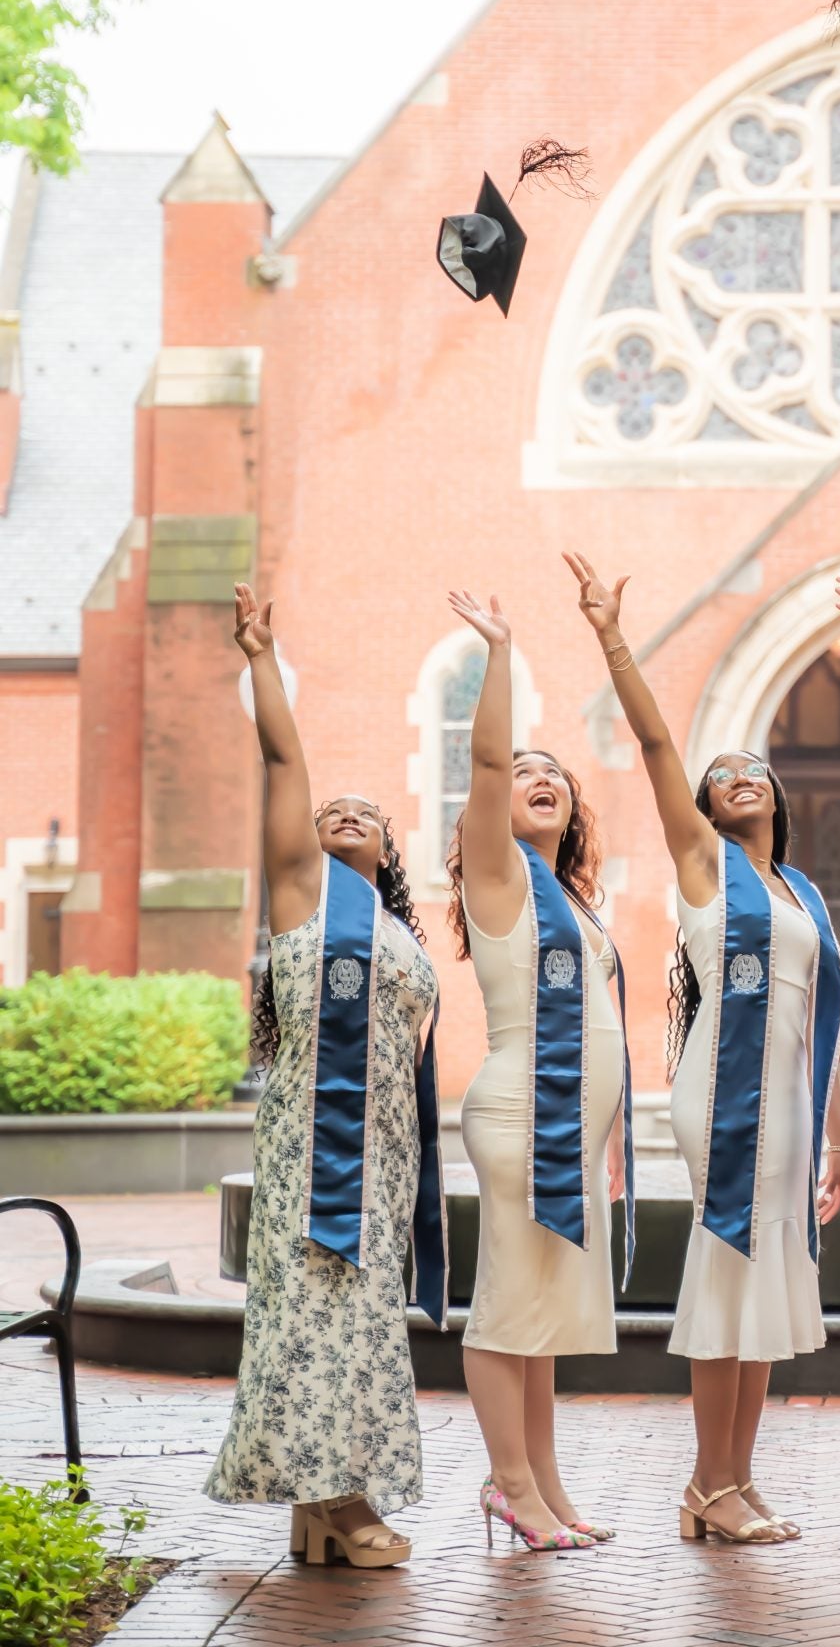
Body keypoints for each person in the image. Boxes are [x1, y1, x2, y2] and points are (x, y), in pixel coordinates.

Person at [566, 548, 840, 1546]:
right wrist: (612, 637)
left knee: (765, 1278)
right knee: (730, 1267)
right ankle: (703, 1482)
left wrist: (835, 1127)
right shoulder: (704, 864)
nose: (735, 779)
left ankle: (735, 1479)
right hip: (724, 1090)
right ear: (707, 805)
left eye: (749, 771)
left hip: (789, 1096)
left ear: (776, 795)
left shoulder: (797, 893)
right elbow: (654, 742)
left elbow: (818, 1017)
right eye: (718, 776)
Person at [208, 586, 447, 1569]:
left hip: (381, 1156)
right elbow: (282, 761)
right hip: (313, 1147)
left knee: (359, 1320)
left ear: (390, 849)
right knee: (314, 1315)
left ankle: (327, 1498)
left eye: (366, 812)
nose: (344, 811)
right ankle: (337, 1499)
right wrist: (262, 657)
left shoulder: (398, 933)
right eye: (330, 810)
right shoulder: (305, 897)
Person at [445, 589, 633, 1553]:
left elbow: (602, 1024)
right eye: (523, 773)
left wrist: (610, 1138)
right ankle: (508, 1483)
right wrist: (499, 651)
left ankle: (546, 1485)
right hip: (521, 1111)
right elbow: (483, 763)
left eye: (553, 772)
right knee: (508, 1299)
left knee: (545, 1314)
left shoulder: (575, 903)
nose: (537, 777)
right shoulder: (499, 875)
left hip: (569, 1125)